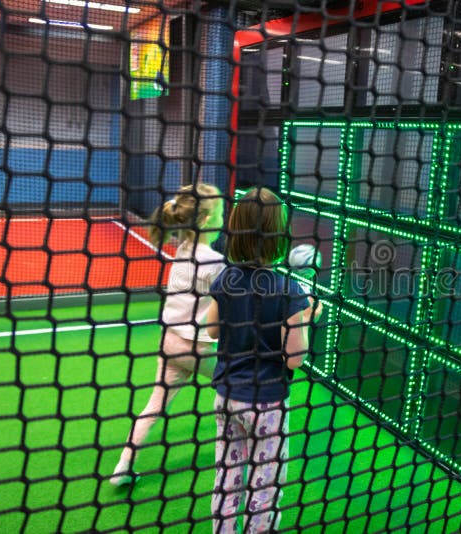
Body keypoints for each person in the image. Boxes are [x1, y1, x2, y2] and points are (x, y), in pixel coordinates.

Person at [204, 187, 322, 533]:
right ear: (279, 237)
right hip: (267, 403)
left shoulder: (227, 278)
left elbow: (211, 329)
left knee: (227, 476)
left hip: (226, 397)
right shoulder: (288, 290)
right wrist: (305, 316)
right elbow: (295, 358)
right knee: (264, 485)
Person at [110, 182, 226, 487]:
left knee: (155, 404)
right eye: (220, 213)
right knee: (236, 384)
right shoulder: (215, 262)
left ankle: (123, 465)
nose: (224, 219)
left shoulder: (183, 248)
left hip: (169, 341)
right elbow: (226, 304)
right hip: (198, 348)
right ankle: (247, 443)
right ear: (205, 221)